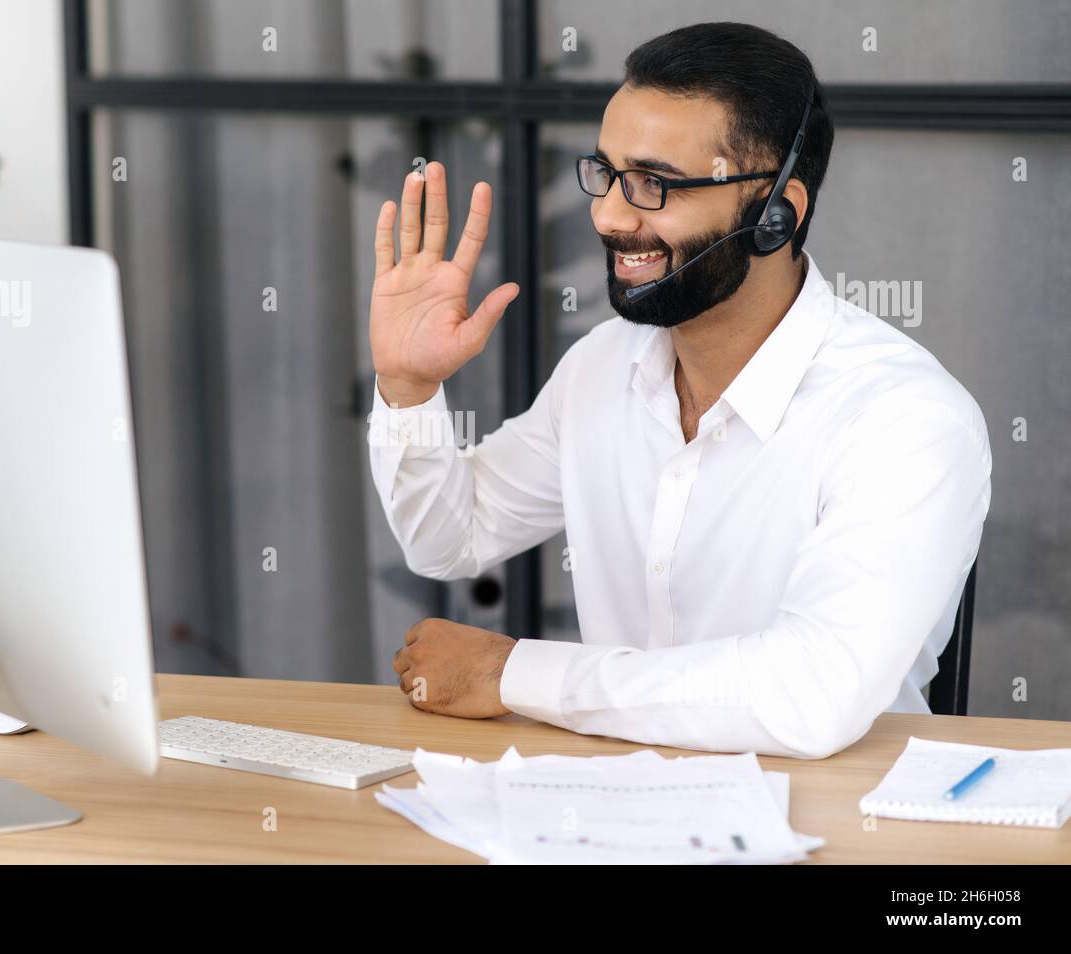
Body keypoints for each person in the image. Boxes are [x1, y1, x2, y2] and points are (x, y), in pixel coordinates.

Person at [367, 22, 991, 759]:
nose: (608, 215)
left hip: (830, 823)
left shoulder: (907, 419)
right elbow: (451, 536)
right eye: (605, 173)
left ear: (775, 211)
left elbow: (810, 695)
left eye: (654, 184)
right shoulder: (604, 367)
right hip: (614, 815)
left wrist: (513, 674)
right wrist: (408, 386)